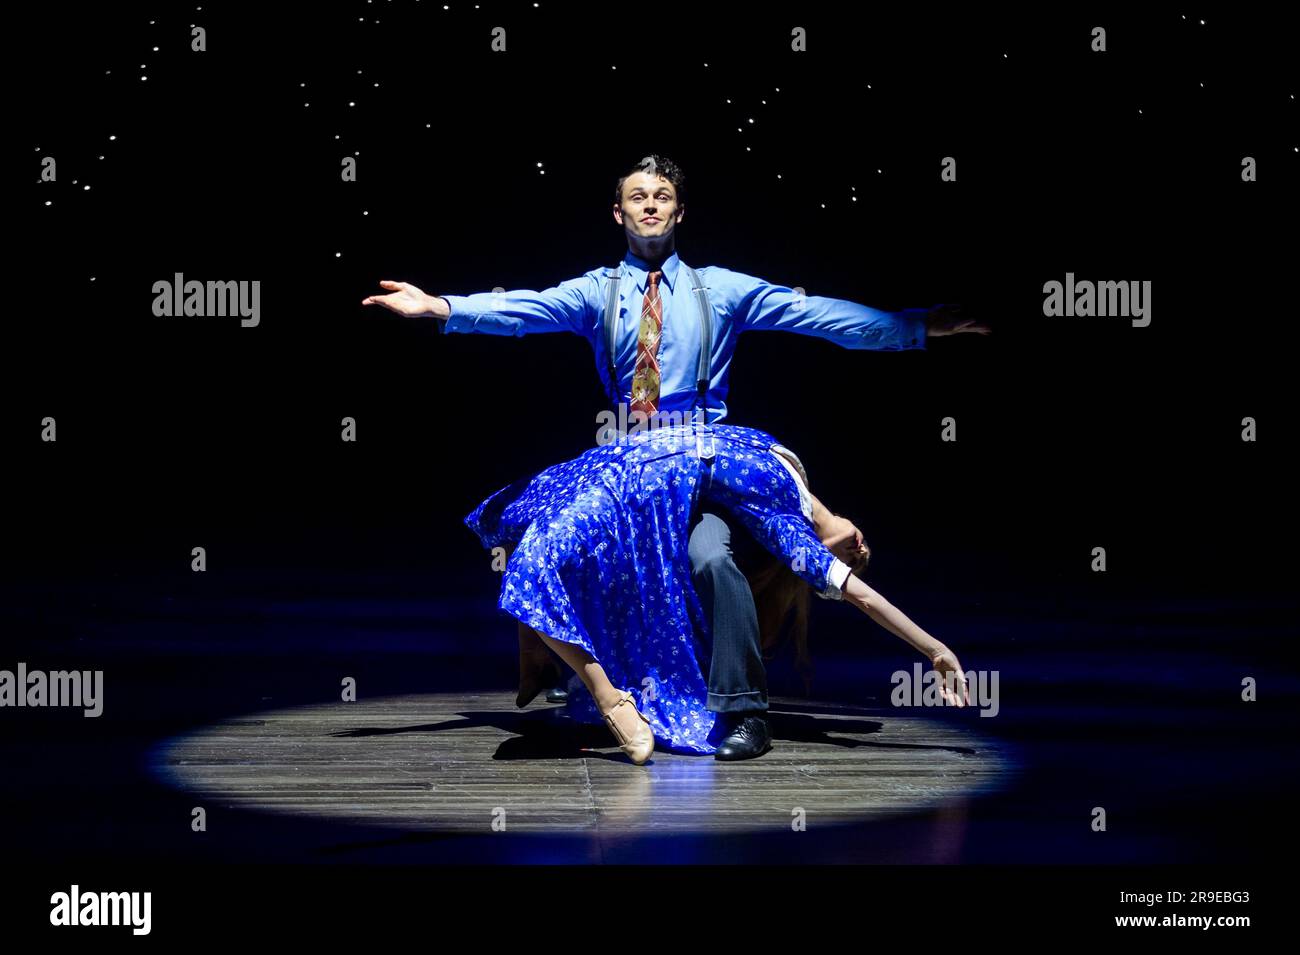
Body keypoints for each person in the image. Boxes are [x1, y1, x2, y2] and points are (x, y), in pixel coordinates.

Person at [363, 154, 989, 759]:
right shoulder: (598, 292)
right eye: (639, 197)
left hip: (706, 462)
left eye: (662, 197)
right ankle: (593, 682)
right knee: (550, 536)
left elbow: (817, 315)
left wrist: (915, 326)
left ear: (680, 211)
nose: (651, 206)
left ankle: (744, 710)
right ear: (618, 214)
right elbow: (520, 308)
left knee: (713, 557)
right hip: (632, 464)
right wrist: (442, 307)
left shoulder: (720, 290)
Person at [464, 421, 971, 764]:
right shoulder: (773, 448)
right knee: (512, 521)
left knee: (534, 563)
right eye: (859, 547)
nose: (857, 543)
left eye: (852, 556)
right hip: (609, 462)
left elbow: (863, 597)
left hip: (636, 493)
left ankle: (609, 696)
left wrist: (935, 649)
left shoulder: (785, 522)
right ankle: (537, 650)